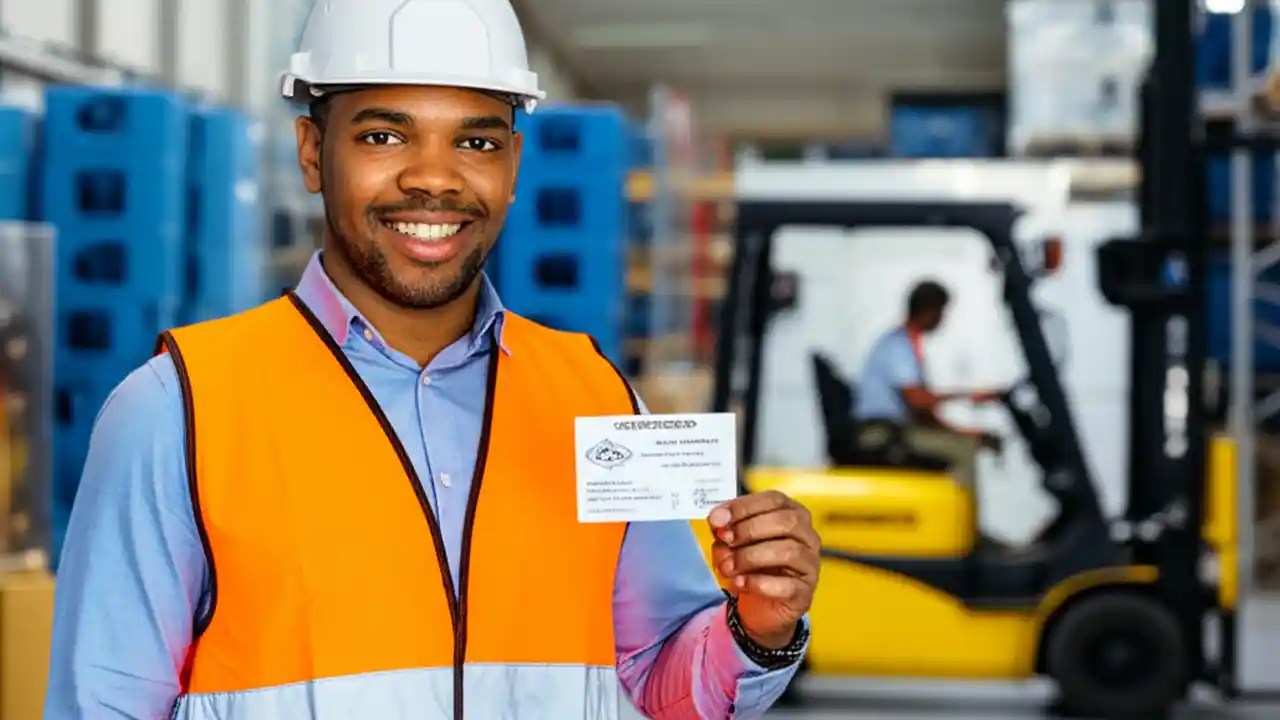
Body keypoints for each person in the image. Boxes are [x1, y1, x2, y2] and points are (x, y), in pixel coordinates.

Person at [42, 2, 821, 718]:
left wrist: (757, 629)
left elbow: (656, 680)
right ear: (313, 153)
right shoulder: (179, 408)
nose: (434, 178)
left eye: (475, 141)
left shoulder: (597, 401)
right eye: (384, 136)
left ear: (513, 166)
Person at [851, 280, 1003, 481]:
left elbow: (925, 415)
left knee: (966, 443)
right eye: (941, 312)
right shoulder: (898, 347)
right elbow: (917, 400)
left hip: (895, 430)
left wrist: (969, 432)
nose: (943, 319)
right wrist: (968, 396)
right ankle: (961, 512)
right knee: (963, 451)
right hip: (880, 433)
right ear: (929, 311)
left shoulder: (906, 347)